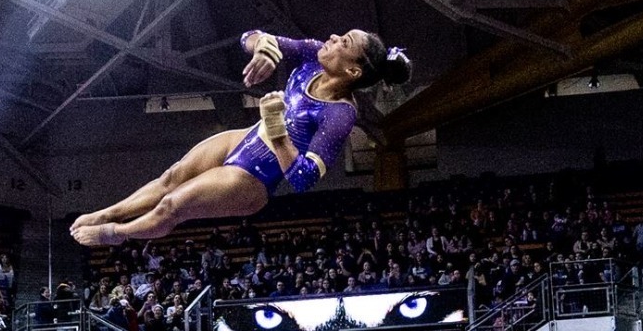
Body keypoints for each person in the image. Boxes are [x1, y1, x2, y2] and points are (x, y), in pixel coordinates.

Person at [70, 28, 410, 244]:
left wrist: (277, 131)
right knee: (170, 177)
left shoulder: (340, 114)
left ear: (352, 70)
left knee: (172, 206)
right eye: (339, 35)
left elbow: (304, 179)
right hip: (246, 138)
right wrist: (264, 47)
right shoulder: (313, 54)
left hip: (254, 180)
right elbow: (247, 35)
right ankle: (107, 213)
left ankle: (117, 233)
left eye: (343, 43)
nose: (333, 39)